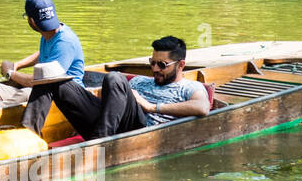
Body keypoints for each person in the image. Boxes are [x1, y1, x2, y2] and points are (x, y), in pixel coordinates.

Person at [23, 35, 210, 140]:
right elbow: (111, 103)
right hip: (108, 126)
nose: (154, 69)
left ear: (181, 65)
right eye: (152, 62)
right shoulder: (139, 81)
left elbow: (202, 108)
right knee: (51, 76)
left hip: (138, 130)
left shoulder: (190, 87)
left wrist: (150, 107)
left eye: (162, 65)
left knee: (115, 78)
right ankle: (29, 135)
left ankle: (99, 142)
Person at [0, 0, 86, 111]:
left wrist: (10, 73)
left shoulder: (66, 41)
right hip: (40, 91)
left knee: (26, 93)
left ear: (32, 21)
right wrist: (17, 65)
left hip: (63, 98)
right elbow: (42, 54)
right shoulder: (48, 33)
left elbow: (40, 82)